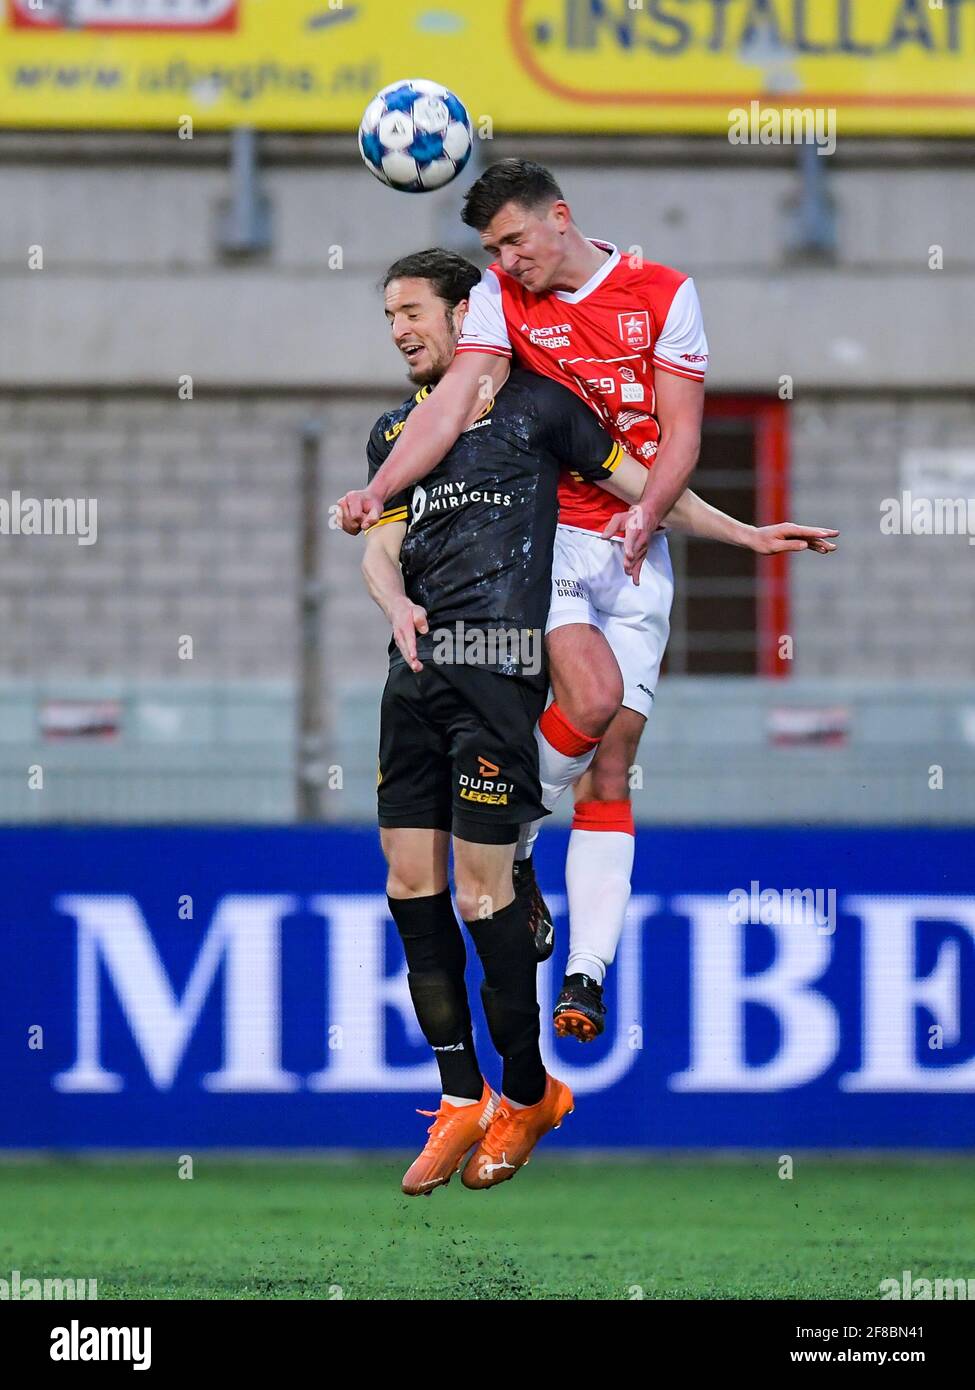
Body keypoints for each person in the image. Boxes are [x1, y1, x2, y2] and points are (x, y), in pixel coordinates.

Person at [341, 163, 838, 1042]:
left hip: (642, 526)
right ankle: (511, 829)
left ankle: (586, 974)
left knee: (614, 761)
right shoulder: (496, 297)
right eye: (491, 249)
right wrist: (375, 485)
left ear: (559, 220)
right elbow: (457, 398)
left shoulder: (662, 293)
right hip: (559, 536)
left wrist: (725, 530)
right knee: (592, 694)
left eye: (514, 242)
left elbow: (680, 434)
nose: (505, 260)